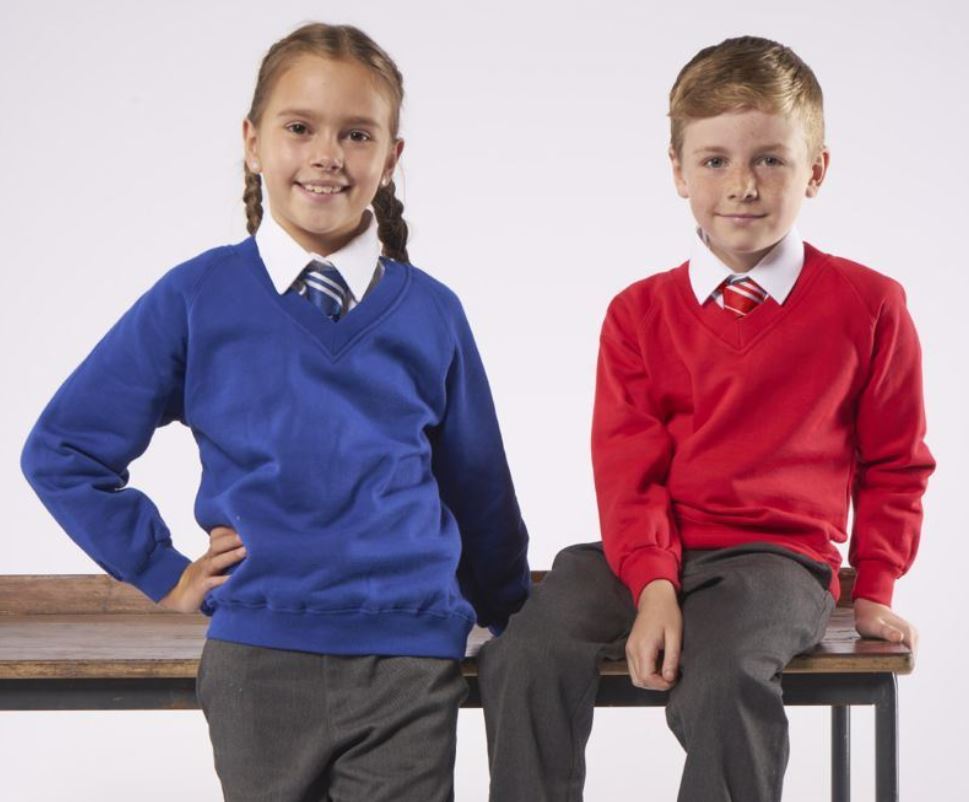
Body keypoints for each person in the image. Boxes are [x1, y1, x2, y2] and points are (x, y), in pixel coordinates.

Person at [20, 22, 529, 802]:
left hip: (409, 658)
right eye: (300, 128)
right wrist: (163, 572)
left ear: (390, 159)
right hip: (259, 658)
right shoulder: (197, 297)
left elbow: (478, 488)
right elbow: (63, 450)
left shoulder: (431, 312)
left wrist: (513, 616)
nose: (327, 154)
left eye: (355, 134)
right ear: (254, 142)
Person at [477, 35, 934, 802]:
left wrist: (876, 584)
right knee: (523, 653)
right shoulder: (637, 313)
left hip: (778, 562)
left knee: (723, 675)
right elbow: (628, 468)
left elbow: (894, 461)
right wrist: (653, 582)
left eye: (769, 160)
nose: (742, 185)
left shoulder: (869, 304)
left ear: (814, 170)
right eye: (715, 160)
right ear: (679, 171)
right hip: (648, 549)